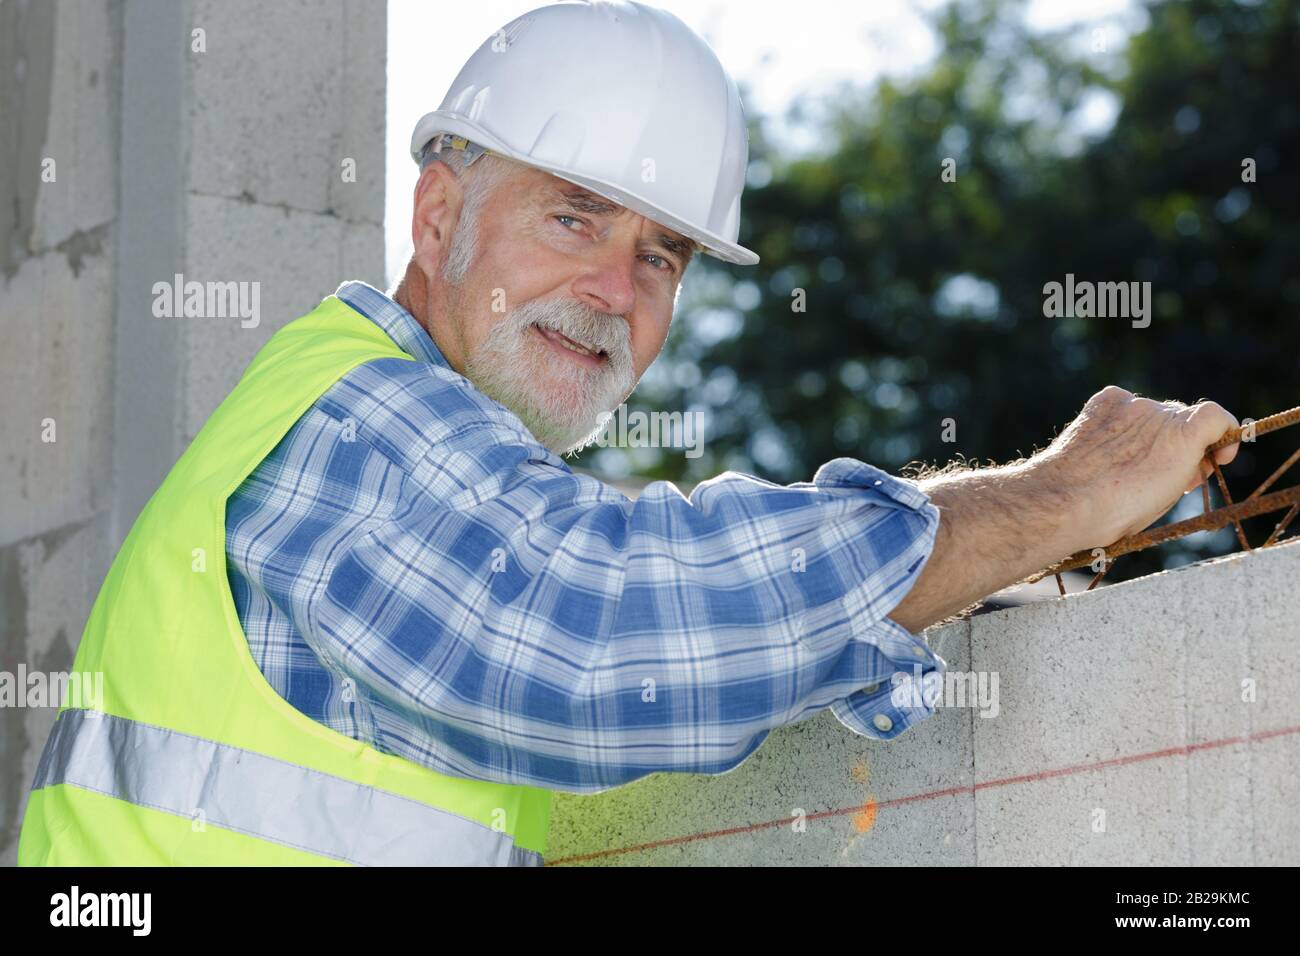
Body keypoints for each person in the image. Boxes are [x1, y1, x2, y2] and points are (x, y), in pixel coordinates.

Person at [18, 0, 1238, 866]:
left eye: (658, 254)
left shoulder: (390, 440)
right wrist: (1055, 499)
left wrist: (971, 588)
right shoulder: (353, 424)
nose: (616, 287)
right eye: (572, 217)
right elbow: (597, 631)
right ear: (439, 216)